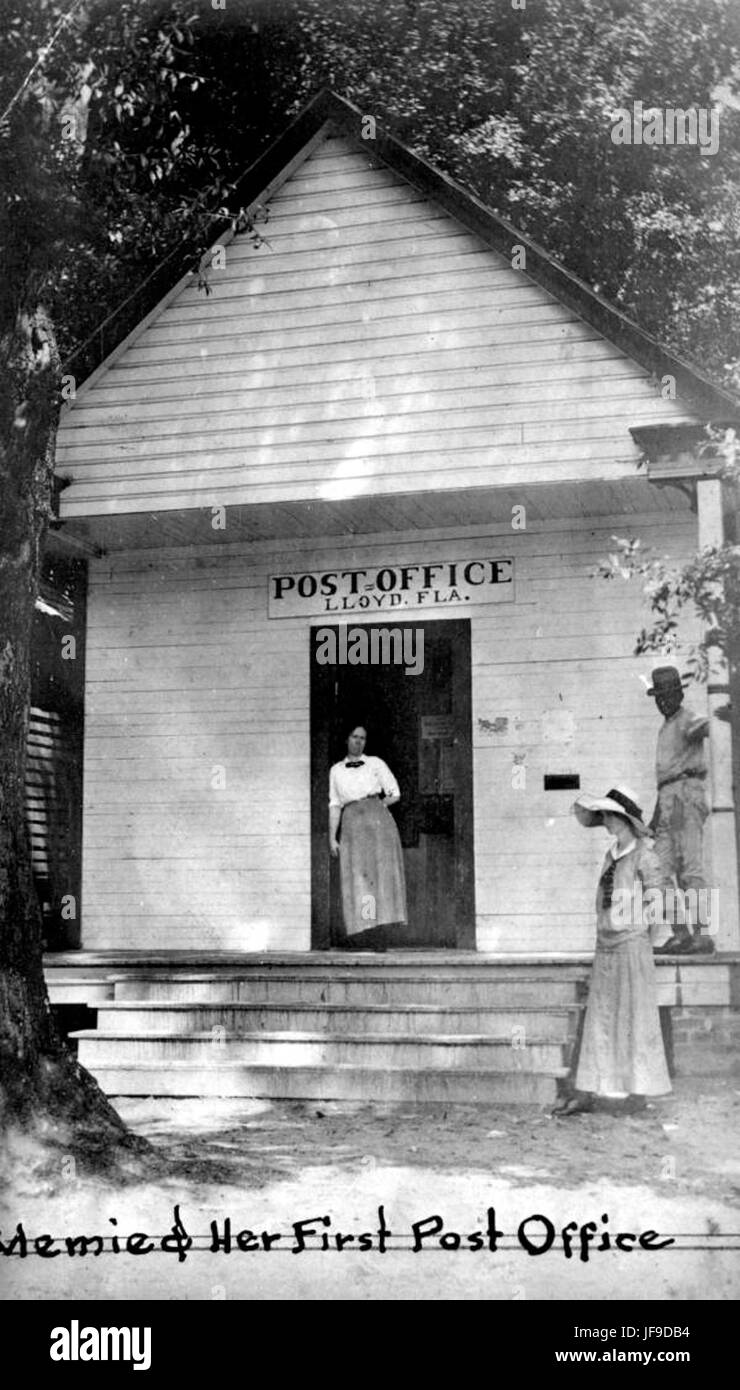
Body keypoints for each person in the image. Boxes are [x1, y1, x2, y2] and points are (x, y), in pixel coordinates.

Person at [554, 785, 672, 1117]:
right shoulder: (611, 855)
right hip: (605, 948)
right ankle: (588, 1091)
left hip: (632, 948)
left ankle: (639, 1092)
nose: (603, 820)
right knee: (600, 1019)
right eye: (602, 814)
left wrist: (639, 932)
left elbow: (658, 902)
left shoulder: (645, 856)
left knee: (636, 1017)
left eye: (607, 814)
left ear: (622, 818)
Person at [647, 666, 714, 955]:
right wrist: (655, 814)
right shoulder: (665, 728)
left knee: (690, 870)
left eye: (669, 694)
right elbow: (665, 778)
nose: (664, 700)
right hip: (667, 799)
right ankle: (681, 933)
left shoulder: (688, 719)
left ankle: (701, 934)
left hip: (687, 795)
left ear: (679, 693)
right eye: (659, 696)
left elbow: (712, 725)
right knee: (657, 872)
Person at [329, 725, 407, 950]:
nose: (358, 742)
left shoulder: (375, 763)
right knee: (360, 878)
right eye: (354, 737)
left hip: (377, 824)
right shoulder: (336, 770)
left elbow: (395, 793)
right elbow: (335, 804)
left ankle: (380, 935)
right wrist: (332, 838)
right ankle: (365, 931)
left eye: (363, 738)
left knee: (379, 876)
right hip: (352, 823)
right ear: (346, 739)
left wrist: (377, 806)